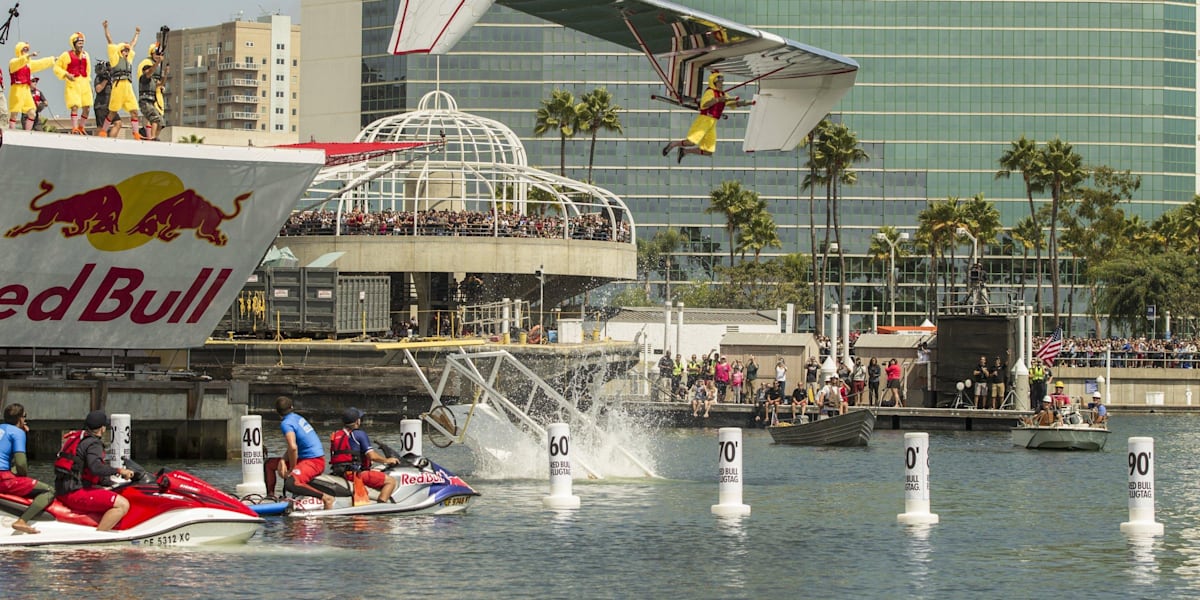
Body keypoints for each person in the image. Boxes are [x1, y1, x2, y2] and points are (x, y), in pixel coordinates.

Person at [54, 411, 136, 531]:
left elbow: (85, 469)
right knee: (122, 504)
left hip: (64, 490)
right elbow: (96, 468)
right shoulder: (93, 444)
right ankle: (99, 535)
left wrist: (109, 481)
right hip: (75, 493)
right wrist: (120, 471)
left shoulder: (78, 438)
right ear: (102, 428)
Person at [660, 71, 750, 162]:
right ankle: (673, 144)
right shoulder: (710, 92)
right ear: (714, 83)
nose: (722, 84)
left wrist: (747, 103)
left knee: (708, 151)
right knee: (691, 142)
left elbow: (733, 103)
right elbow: (704, 104)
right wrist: (717, 100)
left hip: (712, 123)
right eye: (719, 82)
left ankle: (684, 151)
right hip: (704, 120)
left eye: (722, 82)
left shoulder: (723, 94)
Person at [0, 404, 53, 534]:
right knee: (49, 491)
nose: (25, 420)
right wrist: (23, 477)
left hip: (4, 473)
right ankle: (22, 521)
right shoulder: (17, 433)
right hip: (2, 479)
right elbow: (21, 464)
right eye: (25, 416)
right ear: (20, 419)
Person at [275, 396, 334, 510]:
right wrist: (283, 460)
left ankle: (326, 498)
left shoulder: (286, 423)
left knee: (291, 483)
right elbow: (293, 446)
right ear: (292, 407)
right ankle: (272, 497)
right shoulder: (296, 417)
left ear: (277, 411)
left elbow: (293, 448)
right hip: (305, 458)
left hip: (314, 461)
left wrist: (292, 468)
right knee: (270, 464)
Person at [330, 408, 401, 504]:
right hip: (356, 474)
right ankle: (381, 505)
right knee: (391, 481)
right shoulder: (359, 434)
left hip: (341, 473)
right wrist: (387, 460)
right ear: (357, 421)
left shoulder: (336, 435)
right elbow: (372, 456)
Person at [97, 21, 143, 139]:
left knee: (134, 111)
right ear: (120, 51)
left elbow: (132, 44)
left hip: (128, 87)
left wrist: (137, 34)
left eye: (127, 51)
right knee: (112, 112)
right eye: (124, 50)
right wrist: (106, 28)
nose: (127, 52)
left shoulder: (129, 60)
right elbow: (110, 41)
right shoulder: (115, 59)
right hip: (118, 86)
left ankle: (136, 133)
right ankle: (103, 131)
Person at [7, 42, 54, 130]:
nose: (26, 51)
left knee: (32, 113)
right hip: (17, 89)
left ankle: (27, 132)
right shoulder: (13, 61)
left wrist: (52, 60)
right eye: (24, 49)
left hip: (26, 89)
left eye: (27, 49)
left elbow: (40, 63)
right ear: (19, 50)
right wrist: (28, 56)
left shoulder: (28, 64)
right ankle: (11, 131)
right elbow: (19, 62)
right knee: (14, 113)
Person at [54, 32, 93, 134]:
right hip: (73, 84)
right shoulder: (66, 55)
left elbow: (88, 70)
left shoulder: (86, 55)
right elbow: (57, 68)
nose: (81, 45)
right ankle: (74, 128)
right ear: (74, 44)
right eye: (79, 43)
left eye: (82, 43)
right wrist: (66, 74)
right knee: (74, 106)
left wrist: (89, 81)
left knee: (87, 108)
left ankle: (81, 127)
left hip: (84, 84)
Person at [136, 43, 164, 140]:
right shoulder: (146, 68)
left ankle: (154, 136)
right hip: (146, 99)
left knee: (160, 121)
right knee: (153, 118)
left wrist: (166, 73)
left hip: (154, 97)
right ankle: (150, 136)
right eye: (156, 54)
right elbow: (149, 72)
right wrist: (157, 63)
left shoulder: (156, 70)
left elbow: (159, 83)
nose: (157, 56)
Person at [93, 60, 122, 137]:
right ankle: (97, 141)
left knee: (118, 123)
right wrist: (106, 79)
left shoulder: (112, 78)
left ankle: (111, 140)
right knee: (101, 127)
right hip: (101, 105)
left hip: (110, 105)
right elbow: (98, 89)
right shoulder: (99, 77)